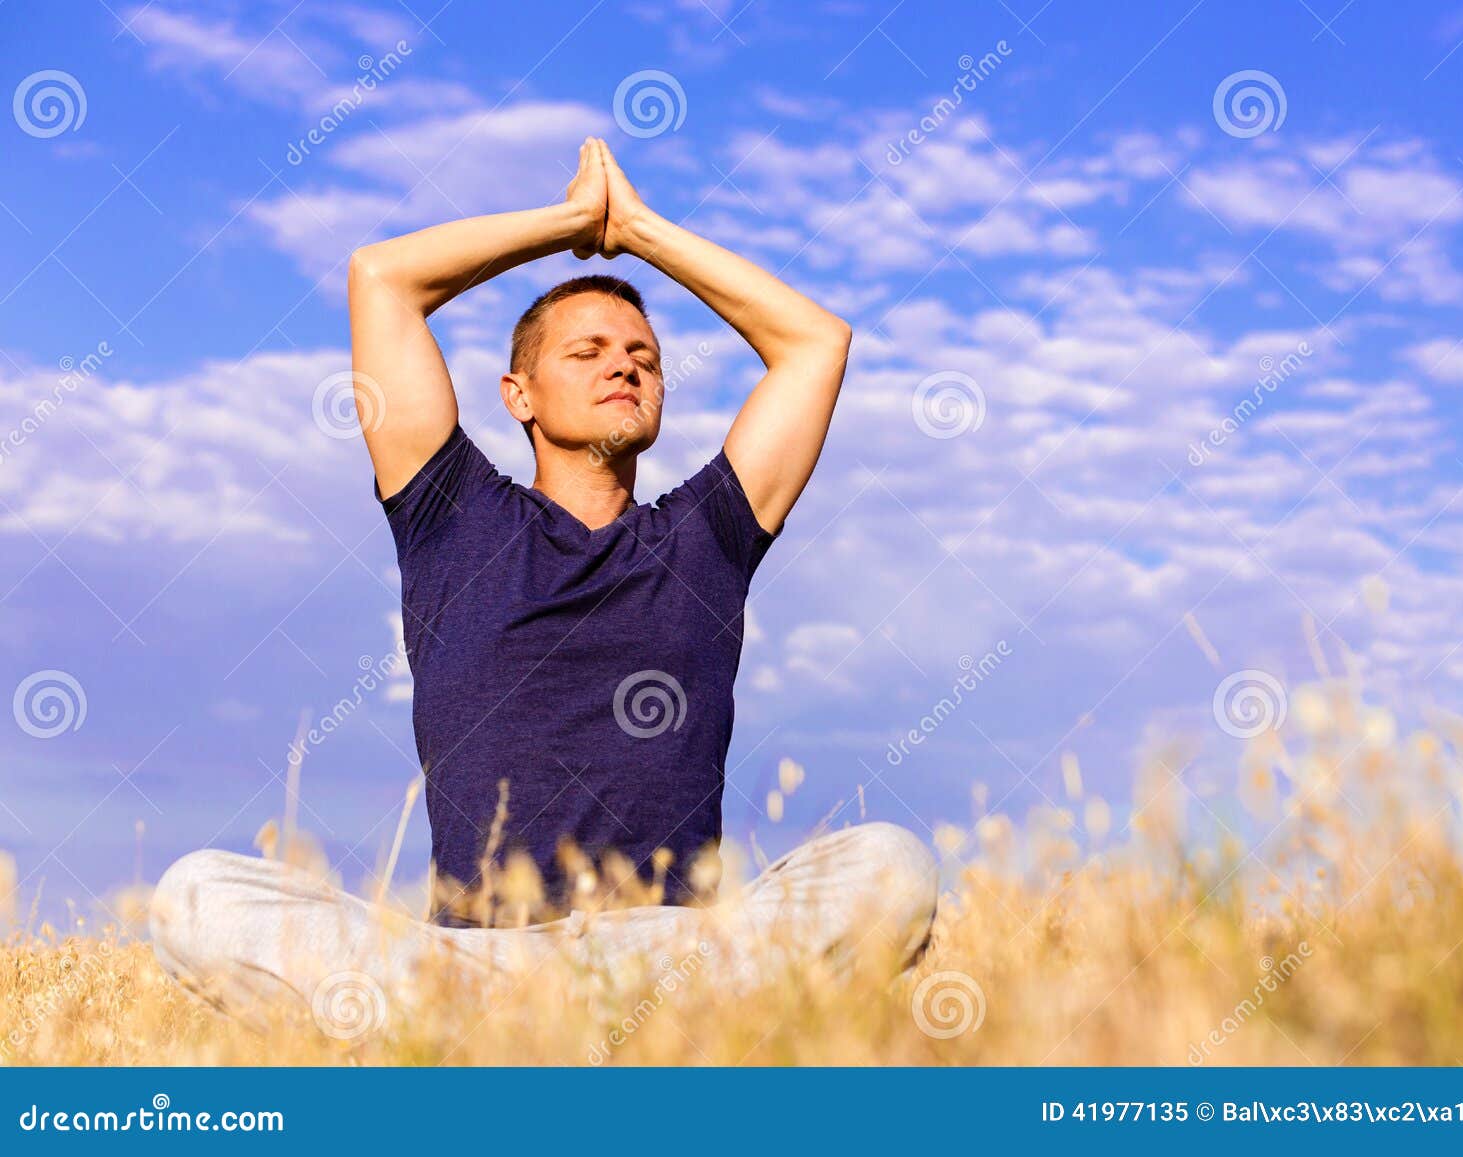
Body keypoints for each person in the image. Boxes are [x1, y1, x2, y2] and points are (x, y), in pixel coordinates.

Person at [149, 139, 938, 1033]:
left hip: (672, 957)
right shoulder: (451, 513)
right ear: (518, 394)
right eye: (589, 350)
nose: (626, 365)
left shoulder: (706, 536)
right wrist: (573, 226)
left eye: (644, 355)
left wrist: (637, 231)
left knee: (892, 862)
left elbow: (814, 342)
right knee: (193, 896)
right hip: (471, 963)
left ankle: (598, 1042)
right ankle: (500, 1039)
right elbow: (382, 279)